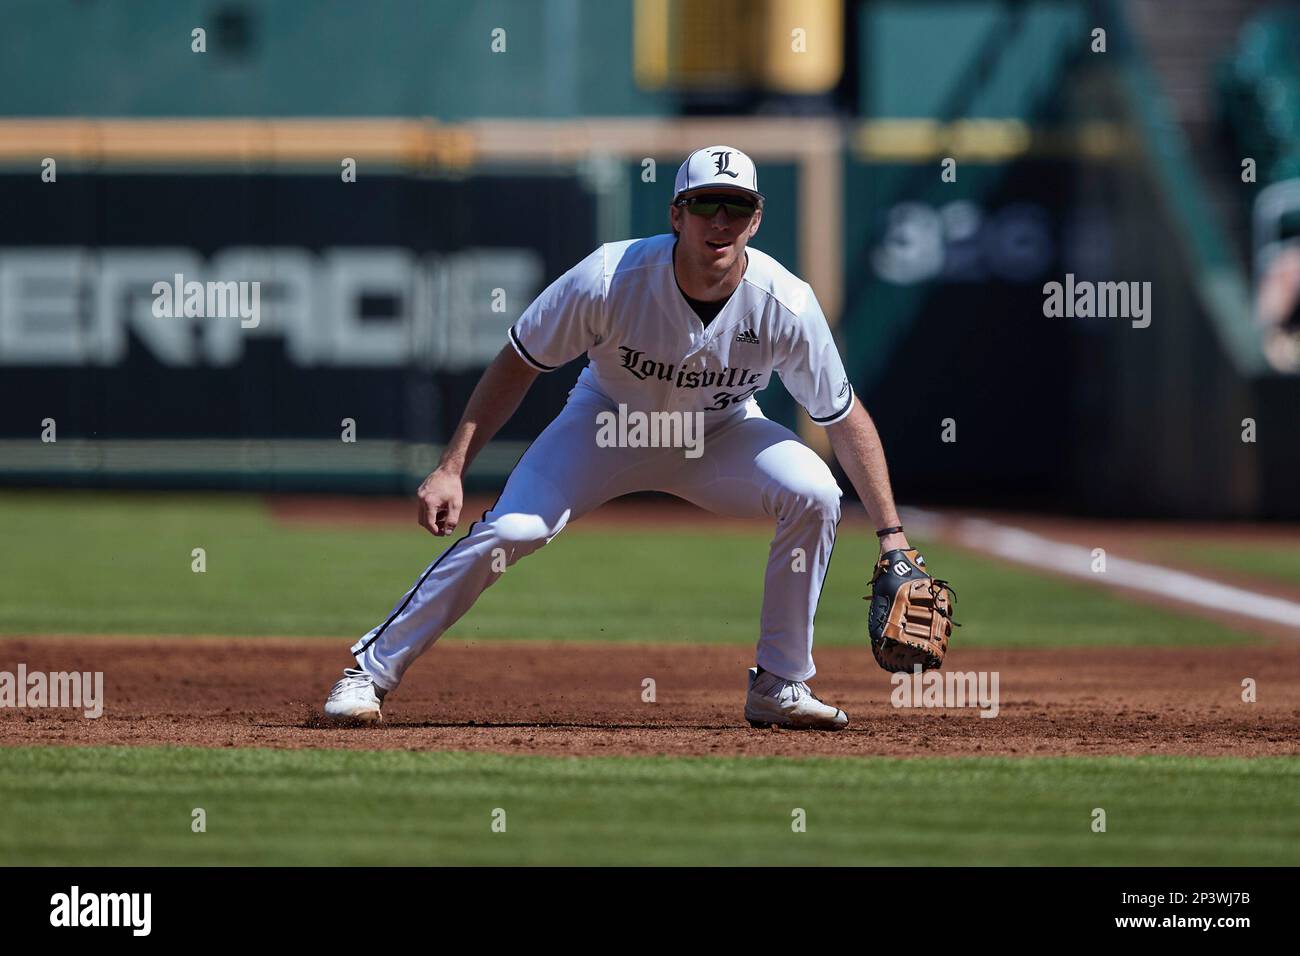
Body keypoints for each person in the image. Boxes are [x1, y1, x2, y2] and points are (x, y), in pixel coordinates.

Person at [324, 145, 914, 730]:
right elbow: (518, 361)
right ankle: (368, 673)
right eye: (705, 203)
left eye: (736, 206)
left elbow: (842, 415)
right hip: (608, 424)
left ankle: (780, 682)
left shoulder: (785, 303)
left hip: (718, 433)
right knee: (512, 529)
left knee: (813, 491)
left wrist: (892, 540)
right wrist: (452, 465)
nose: (720, 221)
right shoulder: (610, 276)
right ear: (676, 214)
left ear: (756, 219)